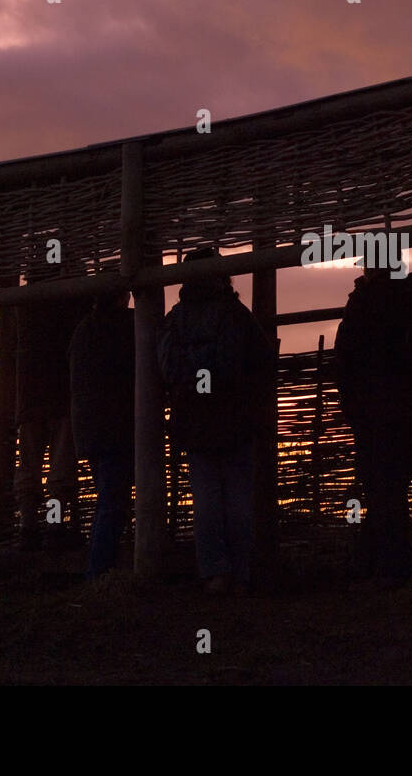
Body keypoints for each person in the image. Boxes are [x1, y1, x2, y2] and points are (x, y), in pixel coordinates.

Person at [334, 251, 412, 584]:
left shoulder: (365, 302)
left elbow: (343, 360)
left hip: (375, 412)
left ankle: (385, 564)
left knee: (381, 486)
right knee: (392, 485)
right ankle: (388, 563)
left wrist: (352, 404)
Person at [157, 247, 272, 595]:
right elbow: (263, 360)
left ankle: (214, 574)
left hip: (195, 422)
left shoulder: (176, 320)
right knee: (238, 500)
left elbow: (166, 370)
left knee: (206, 501)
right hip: (236, 421)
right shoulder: (237, 315)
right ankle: (239, 575)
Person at [14, 268, 91, 552]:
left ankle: (29, 528)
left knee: (30, 468)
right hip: (60, 398)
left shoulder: (26, 304)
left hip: (31, 399)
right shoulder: (74, 301)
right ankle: (53, 528)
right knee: (58, 471)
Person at [69, 288, 135, 577]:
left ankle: (100, 567)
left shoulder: (84, 329)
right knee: (113, 499)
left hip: (90, 427)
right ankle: (99, 570)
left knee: (108, 496)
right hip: (115, 428)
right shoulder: (123, 327)